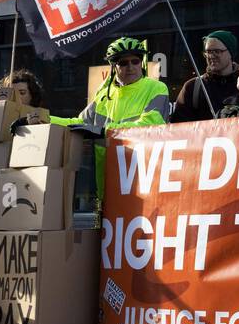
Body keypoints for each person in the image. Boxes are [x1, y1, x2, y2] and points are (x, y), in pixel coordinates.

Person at [51, 37, 170, 203]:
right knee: (103, 228)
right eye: (123, 63)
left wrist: (105, 131)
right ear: (114, 66)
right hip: (106, 182)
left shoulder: (156, 88)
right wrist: (43, 120)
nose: (131, 67)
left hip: (144, 178)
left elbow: (150, 124)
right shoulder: (103, 94)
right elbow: (78, 123)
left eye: (135, 61)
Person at [172, 31, 239, 122]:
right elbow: (179, 126)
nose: (211, 56)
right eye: (208, 52)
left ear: (230, 53)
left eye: (217, 51)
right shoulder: (193, 87)